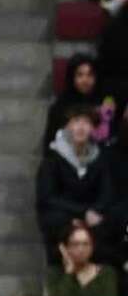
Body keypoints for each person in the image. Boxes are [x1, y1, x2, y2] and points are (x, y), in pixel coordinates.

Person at [37, 106, 114, 252]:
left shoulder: (99, 157)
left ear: (93, 129)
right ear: (67, 127)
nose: (81, 127)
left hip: (91, 214)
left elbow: (106, 193)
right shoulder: (53, 158)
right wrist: (82, 213)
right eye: (76, 121)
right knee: (57, 221)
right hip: (62, 214)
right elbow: (48, 197)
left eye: (86, 122)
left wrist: (93, 212)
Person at [45, 221, 118, 296]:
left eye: (86, 244)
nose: (81, 249)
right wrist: (69, 274)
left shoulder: (106, 273)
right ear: (65, 248)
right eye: (75, 244)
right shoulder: (55, 275)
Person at [44, 55, 110, 149]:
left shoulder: (104, 103)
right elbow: (50, 141)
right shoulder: (61, 105)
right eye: (80, 75)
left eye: (90, 75)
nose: (85, 80)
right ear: (72, 78)